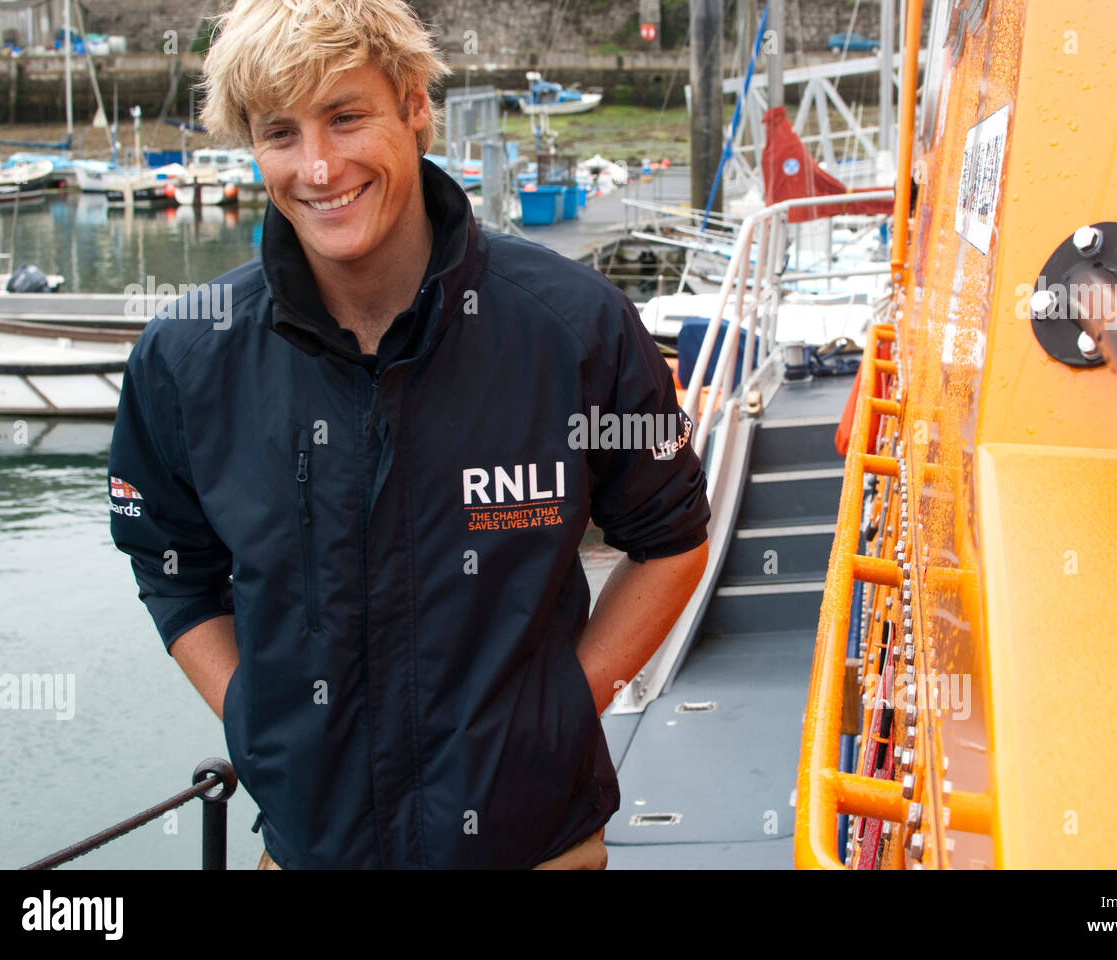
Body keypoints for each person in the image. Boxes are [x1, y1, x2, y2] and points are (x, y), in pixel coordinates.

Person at [107, 0, 710, 869]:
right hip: (309, 851)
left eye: (346, 117)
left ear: (416, 106)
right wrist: (257, 718)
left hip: (538, 846)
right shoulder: (186, 357)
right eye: (281, 133)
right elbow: (170, 569)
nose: (318, 166)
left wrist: (561, 712)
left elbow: (671, 540)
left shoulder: (575, 329)